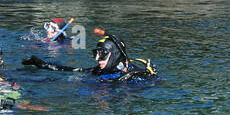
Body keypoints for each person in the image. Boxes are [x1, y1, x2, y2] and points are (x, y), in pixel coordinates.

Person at [22, 32, 157, 82]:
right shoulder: (99, 71)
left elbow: (157, 84)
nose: (98, 59)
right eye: (96, 54)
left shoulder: (136, 76)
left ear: (115, 54)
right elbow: (70, 70)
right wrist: (42, 64)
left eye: (102, 54)